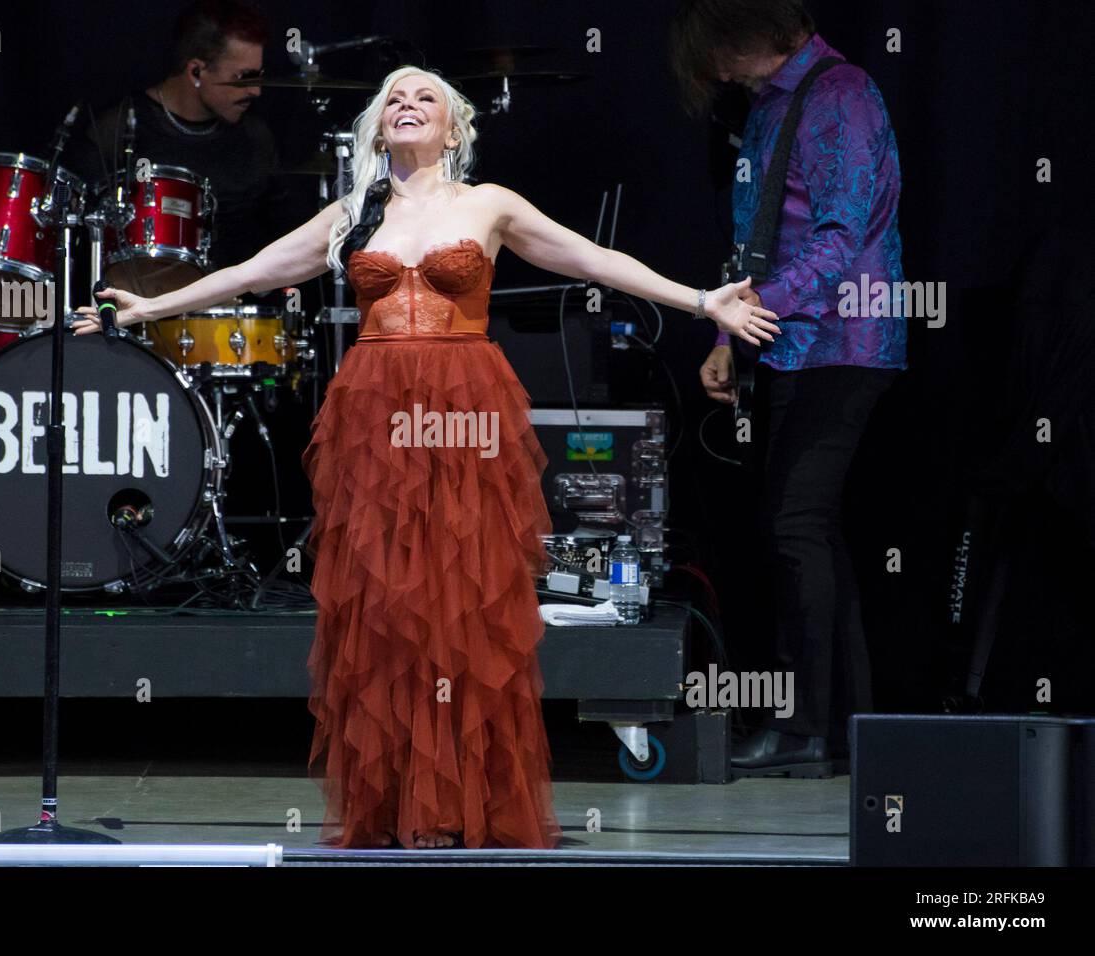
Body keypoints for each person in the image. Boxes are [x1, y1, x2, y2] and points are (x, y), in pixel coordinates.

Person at [74, 66, 779, 848]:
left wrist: (701, 301)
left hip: (462, 408)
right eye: (395, 100)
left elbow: (592, 259)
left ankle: (464, 798)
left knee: (461, 597)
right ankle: (398, 799)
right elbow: (252, 273)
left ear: (453, 127)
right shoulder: (353, 213)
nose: (408, 106)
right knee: (387, 606)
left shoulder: (488, 204)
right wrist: (149, 308)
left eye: (425, 98)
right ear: (378, 126)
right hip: (375, 414)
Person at [670, 0, 907, 774]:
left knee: (794, 525)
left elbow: (840, 238)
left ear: (745, 34)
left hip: (845, 342)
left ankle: (804, 730)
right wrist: (725, 340)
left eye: (717, 55)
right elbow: (760, 243)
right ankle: (846, 730)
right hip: (792, 346)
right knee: (813, 532)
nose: (714, 74)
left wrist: (750, 316)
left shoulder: (841, 93)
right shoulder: (770, 106)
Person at [63, 0, 290, 280]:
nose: (256, 91)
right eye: (245, 78)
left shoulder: (255, 136)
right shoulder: (119, 131)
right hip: (140, 296)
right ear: (196, 71)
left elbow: (282, 228)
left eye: (259, 77)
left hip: (235, 301)